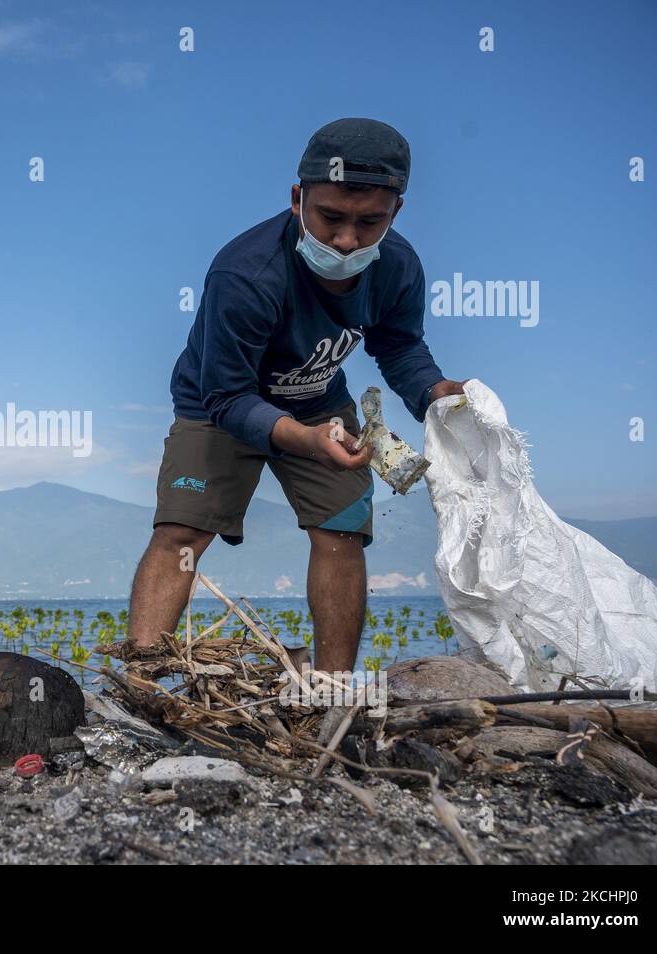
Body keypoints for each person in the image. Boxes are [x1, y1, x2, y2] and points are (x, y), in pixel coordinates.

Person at [129, 118, 467, 679]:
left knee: (341, 531)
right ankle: (139, 682)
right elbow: (228, 396)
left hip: (319, 404)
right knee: (183, 531)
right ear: (297, 199)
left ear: (396, 212)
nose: (346, 240)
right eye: (330, 217)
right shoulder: (245, 274)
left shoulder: (398, 267)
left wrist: (437, 394)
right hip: (216, 406)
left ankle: (332, 689)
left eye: (369, 222)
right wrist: (300, 440)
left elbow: (400, 346)